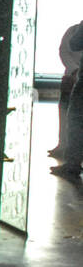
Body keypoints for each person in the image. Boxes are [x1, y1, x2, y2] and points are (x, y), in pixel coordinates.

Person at [50, 22, 83, 178]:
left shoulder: (76, 29)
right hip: (74, 76)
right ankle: (63, 146)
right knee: (68, 115)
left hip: (78, 79)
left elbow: (72, 45)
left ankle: (72, 164)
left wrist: (75, 70)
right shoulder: (73, 28)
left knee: (74, 119)